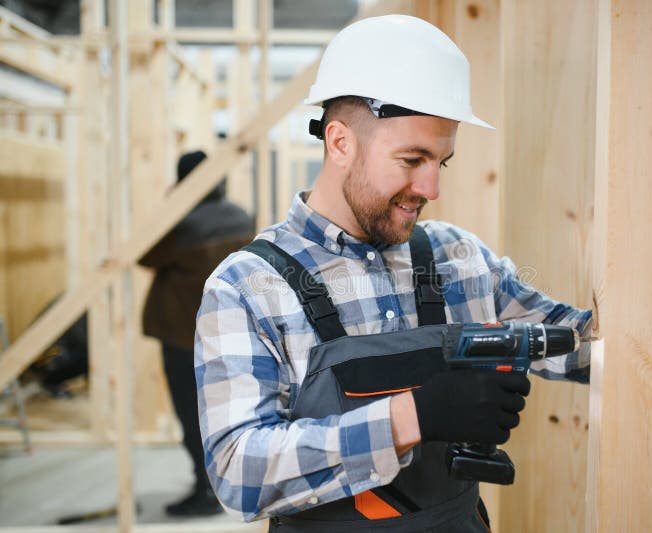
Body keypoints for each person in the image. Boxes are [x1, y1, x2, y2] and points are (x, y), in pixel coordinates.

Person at [195, 15, 592, 531]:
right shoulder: (247, 287)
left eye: (441, 163)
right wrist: (410, 418)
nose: (431, 188)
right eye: (412, 159)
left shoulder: (459, 258)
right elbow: (237, 473)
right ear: (340, 143)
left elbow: (573, 344)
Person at [139, 150, 254, 517]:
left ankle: (206, 490)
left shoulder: (183, 223)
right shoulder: (240, 215)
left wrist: (172, 204)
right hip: (226, 332)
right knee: (225, 410)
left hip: (181, 335)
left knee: (190, 413)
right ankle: (227, 483)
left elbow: (145, 254)